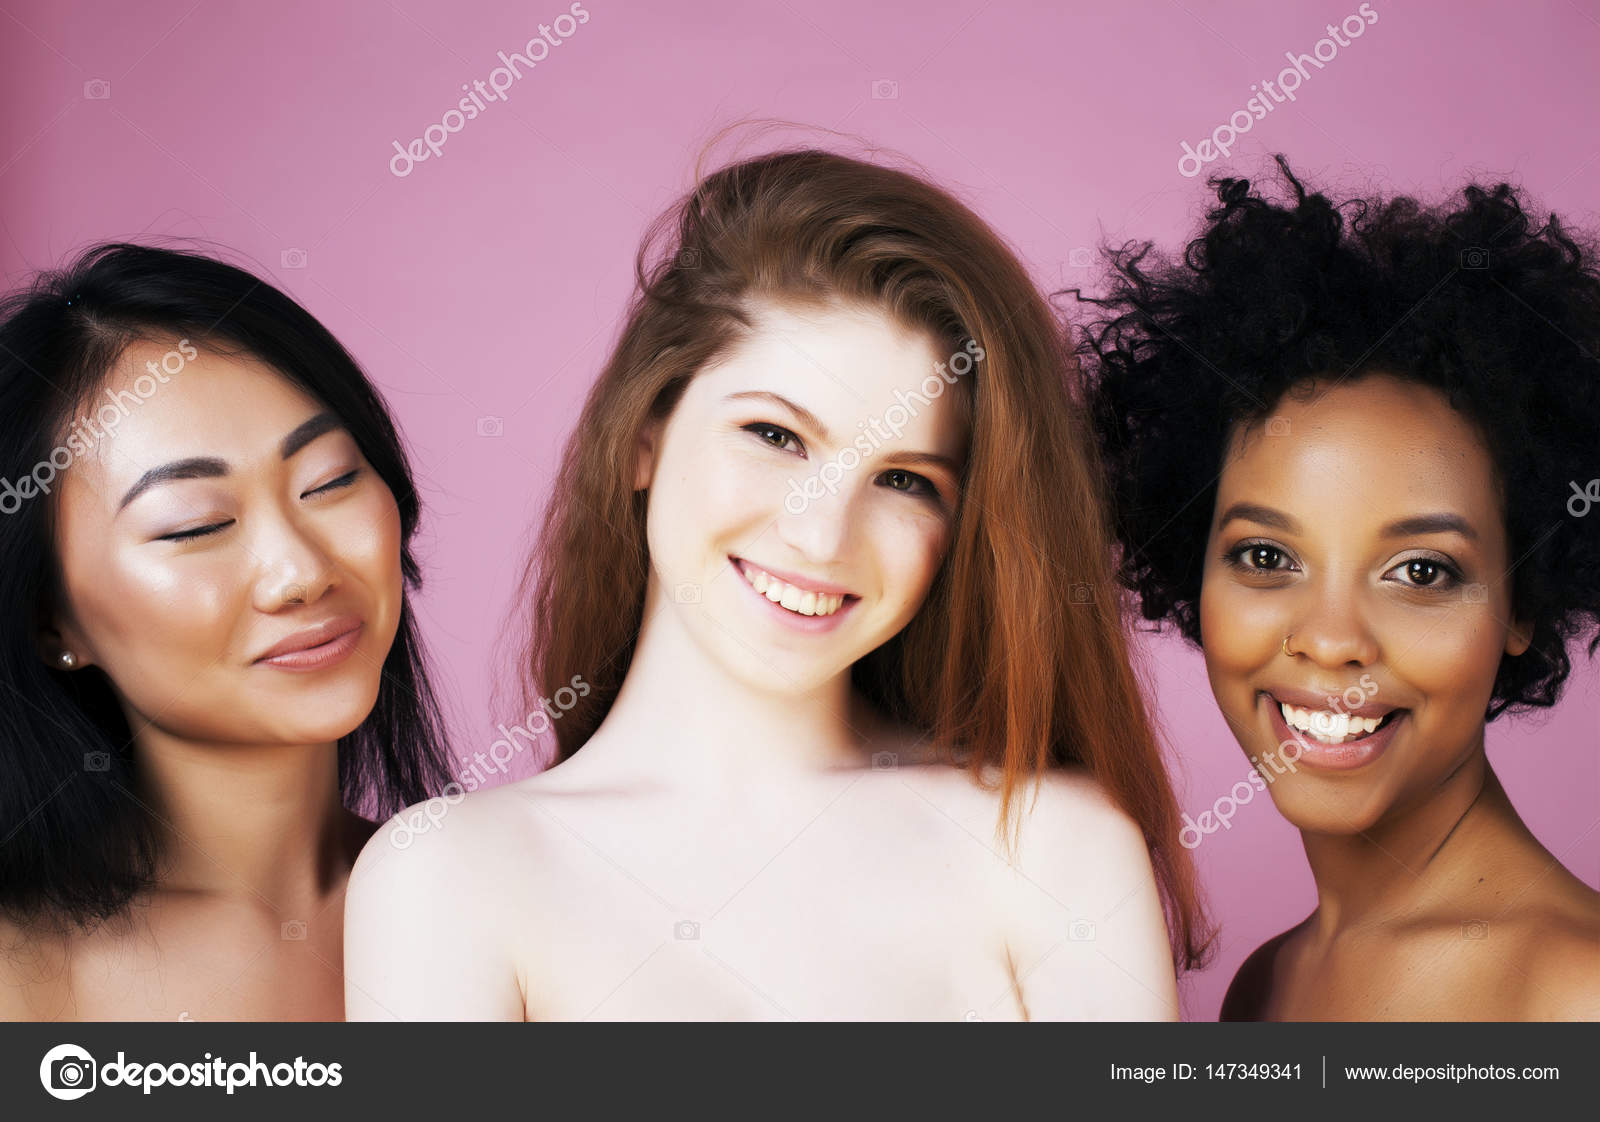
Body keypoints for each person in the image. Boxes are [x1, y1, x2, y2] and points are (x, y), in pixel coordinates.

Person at [345, 147, 1209, 1021]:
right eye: (776, 435)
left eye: (906, 481)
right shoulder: (448, 876)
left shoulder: (1053, 851)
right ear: (644, 432)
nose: (821, 535)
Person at [1079, 156, 1600, 1020]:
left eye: (1421, 573)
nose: (1328, 639)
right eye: (1267, 557)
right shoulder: (1265, 991)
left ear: (1525, 602)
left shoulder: (1577, 996)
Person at [0, 243, 454, 1020]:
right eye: (195, 526)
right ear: (53, 620)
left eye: (331, 481)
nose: (300, 572)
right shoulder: (23, 967)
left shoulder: (502, 901)